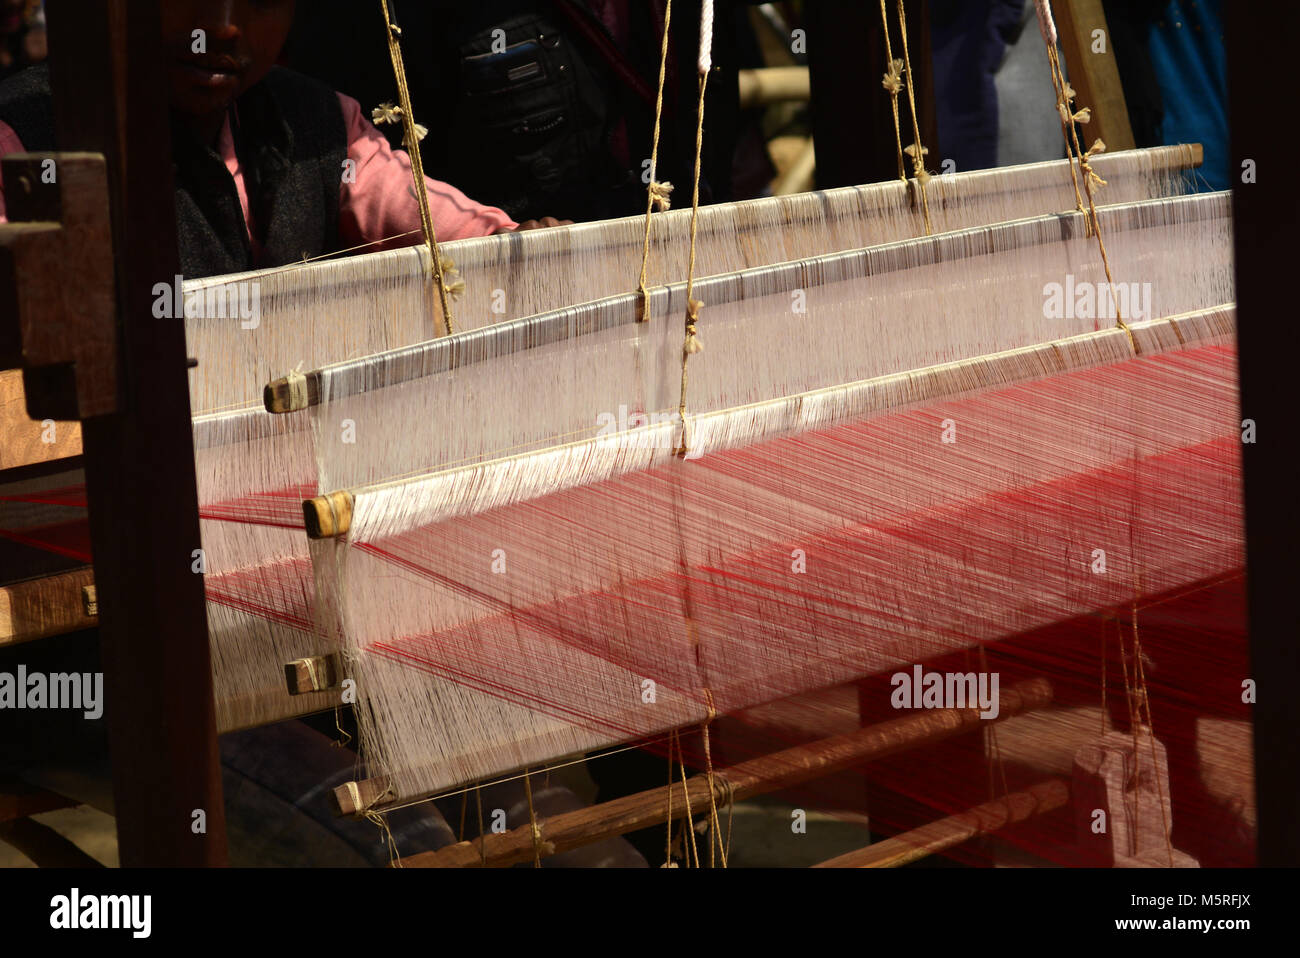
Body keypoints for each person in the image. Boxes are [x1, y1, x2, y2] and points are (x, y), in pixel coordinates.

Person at [0, 0, 568, 279]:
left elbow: (427, 220)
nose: (222, 26)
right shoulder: (25, 139)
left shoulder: (319, 125)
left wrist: (523, 249)